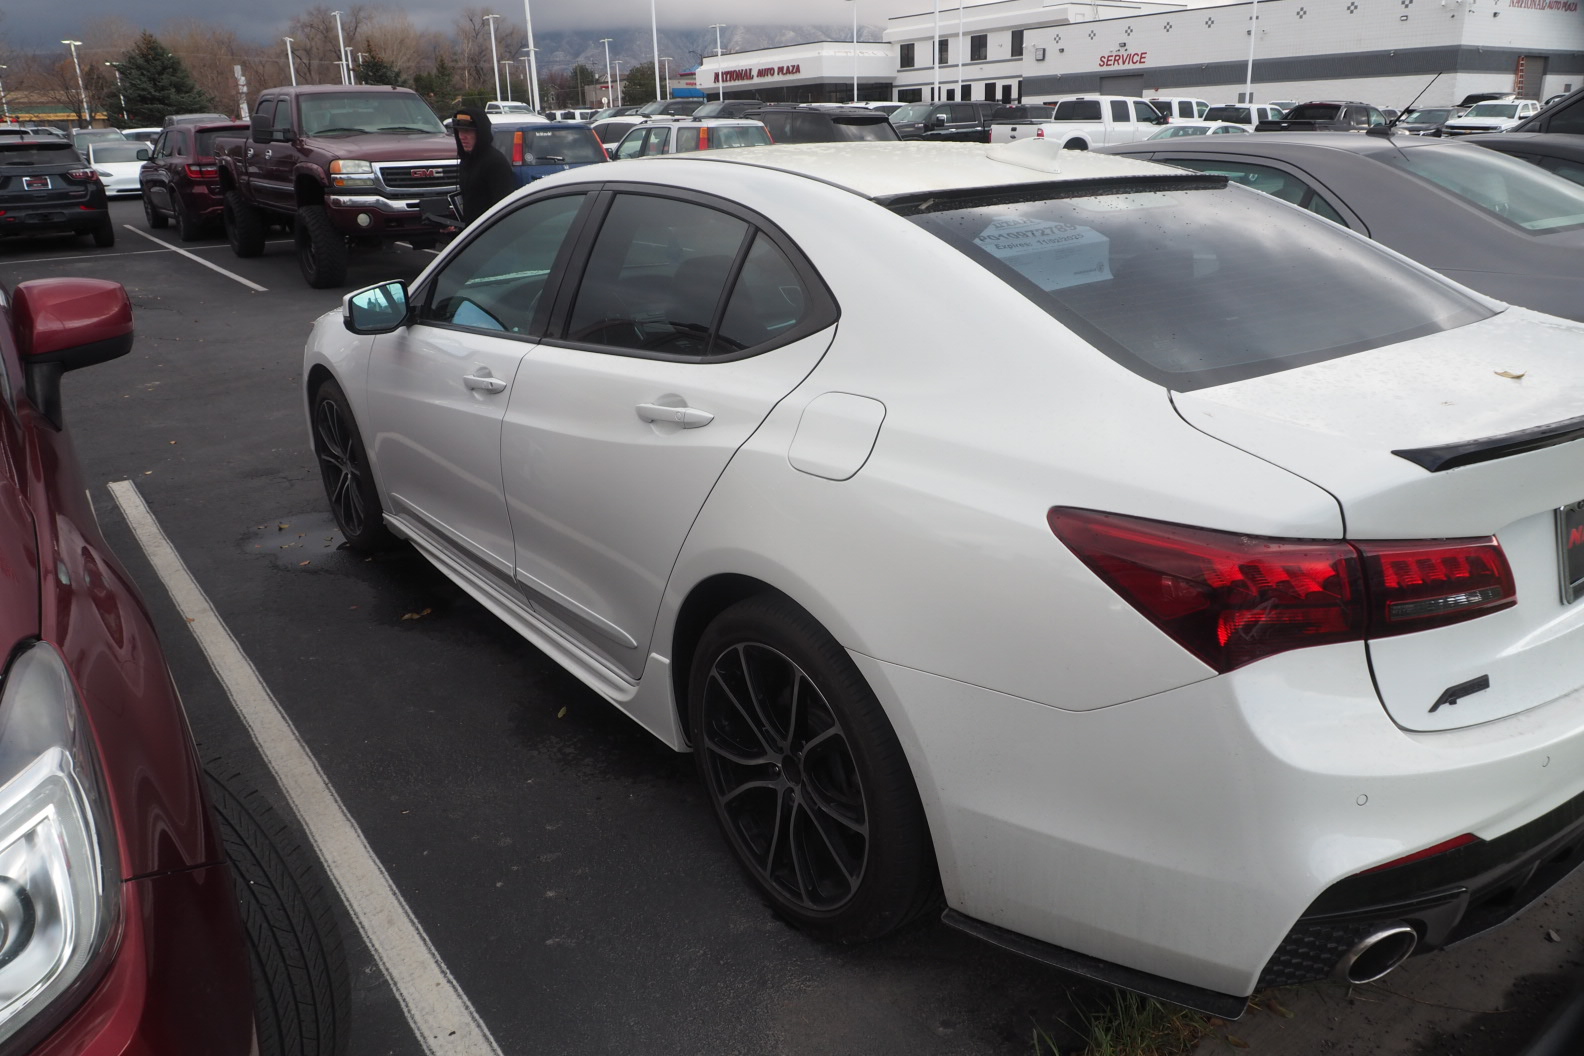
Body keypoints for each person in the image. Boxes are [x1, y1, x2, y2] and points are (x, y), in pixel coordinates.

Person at [451, 107, 515, 227]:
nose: (462, 136)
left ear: (481, 133)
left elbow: (503, 207)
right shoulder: (466, 162)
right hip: (471, 233)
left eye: (467, 131)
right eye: (459, 131)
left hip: (490, 234)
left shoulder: (495, 162)